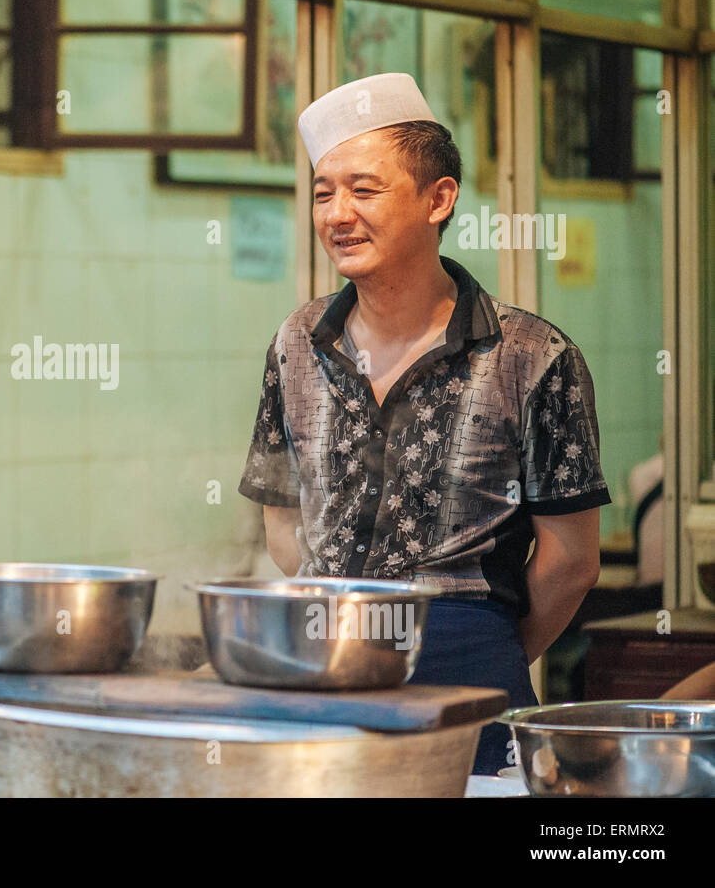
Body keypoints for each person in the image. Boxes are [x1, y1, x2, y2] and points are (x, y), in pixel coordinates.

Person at [237, 73, 611, 775]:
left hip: (473, 682)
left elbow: (572, 561)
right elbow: (283, 527)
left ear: (438, 198)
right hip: (323, 677)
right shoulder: (296, 342)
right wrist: (354, 632)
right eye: (324, 192)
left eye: (364, 189)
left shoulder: (532, 355)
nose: (338, 213)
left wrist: (476, 646)